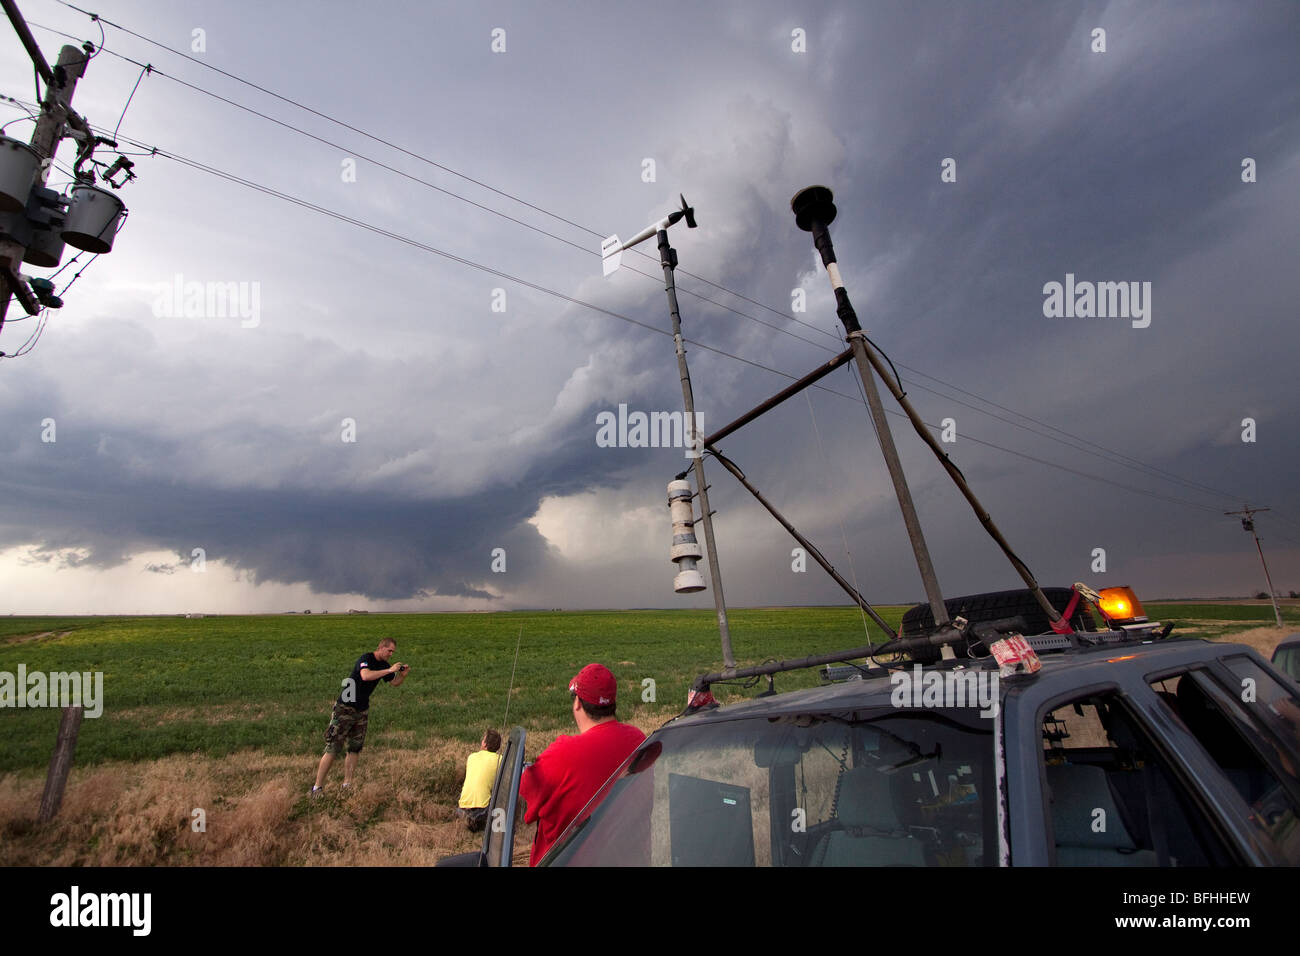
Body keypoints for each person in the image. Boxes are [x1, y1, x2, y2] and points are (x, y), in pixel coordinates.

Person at [519, 663, 645, 865]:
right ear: (612, 703)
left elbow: (526, 799)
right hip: (624, 858)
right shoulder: (638, 740)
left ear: (577, 703)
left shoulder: (562, 753)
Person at [311, 637, 408, 795]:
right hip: (345, 708)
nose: (391, 654)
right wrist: (390, 671)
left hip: (362, 710)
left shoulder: (384, 665)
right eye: (389, 650)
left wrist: (402, 675)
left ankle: (347, 785)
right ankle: (317, 787)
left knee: (355, 748)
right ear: (381, 648)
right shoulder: (366, 658)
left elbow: (394, 683)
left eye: (393, 652)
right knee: (333, 747)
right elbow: (365, 676)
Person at [456, 729, 503, 832]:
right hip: (481, 811)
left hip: (461, 809)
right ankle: (499, 832)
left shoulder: (471, 757)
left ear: (485, 744)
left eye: (483, 740)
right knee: (502, 797)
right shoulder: (500, 760)